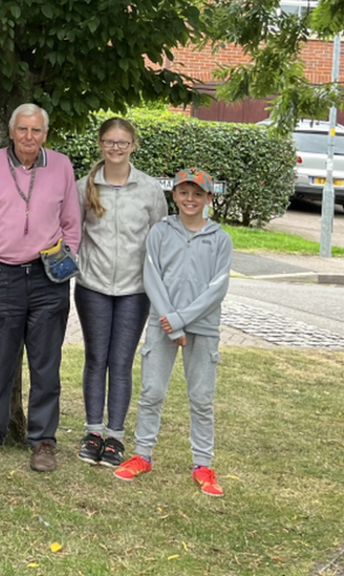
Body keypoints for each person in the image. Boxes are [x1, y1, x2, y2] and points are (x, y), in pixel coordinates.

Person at [0, 103, 80, 472]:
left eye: (36, 131)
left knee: (46, 363)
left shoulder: (61, 166)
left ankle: (43, 440)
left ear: (45, 135)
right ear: (12, 132)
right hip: (2, 275)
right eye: (23, 130)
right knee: (0, 360)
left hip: (48, 280)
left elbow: (72, 223)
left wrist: (64, 262)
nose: (29, 137)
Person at [114, 167, 232, 498]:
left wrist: (182, 320)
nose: (190, 199)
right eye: (184, 192)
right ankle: (142, 454)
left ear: (209, 198)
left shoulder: (220, 239)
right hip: (162, 324)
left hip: (202, 328)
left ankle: (203, 464)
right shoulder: (161, 232)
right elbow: (151, 276)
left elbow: (217, 288)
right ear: (175, 195)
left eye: (197, 194)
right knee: (151, 391)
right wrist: (170, 321)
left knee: (201, 398)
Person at [74, 118, 167, 467]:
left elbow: (159, 237)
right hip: (92, 286)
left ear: (133, 145)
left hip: (134, 290)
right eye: (109, 142)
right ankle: (93, 431)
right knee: (96, 359)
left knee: (122, 362)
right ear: (100, 144)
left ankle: (115, 437)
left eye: (122, 142)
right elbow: (73, 232)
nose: (116, 148)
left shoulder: (148, 189)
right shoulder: (84, 186)